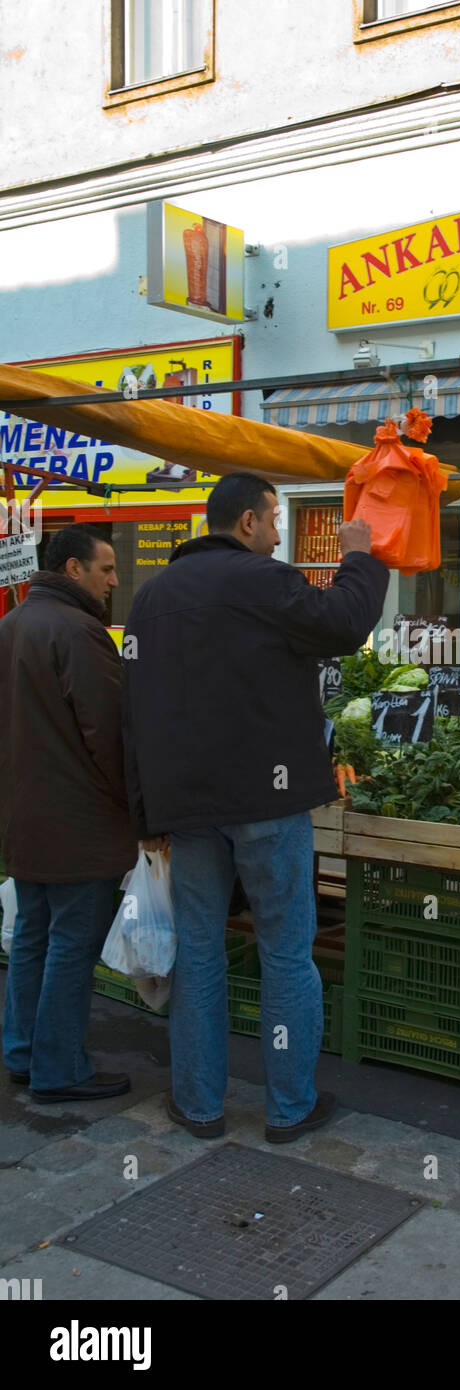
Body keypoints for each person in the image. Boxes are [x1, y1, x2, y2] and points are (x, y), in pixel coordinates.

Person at [122, 473, 388, 1142]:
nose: (277, 533)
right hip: (267, 802)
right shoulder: (263, 581)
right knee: (286, 951)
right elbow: (345, 624)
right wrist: (360, 554)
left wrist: (145, 813)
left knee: (202, 950)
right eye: (273, 519)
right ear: (244, 522)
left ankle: (200, 1105)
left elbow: (133, 715)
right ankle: (288, 1106)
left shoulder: (150, 599)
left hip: (185, 806)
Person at [0, 525, 137, 1101]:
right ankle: (59, 1069)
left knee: (31, 936)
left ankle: (24, 1052)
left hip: (23, 818)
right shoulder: (79, 631)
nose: (113, 581)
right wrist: (138, 808)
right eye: (106, 569)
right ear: (74, 569)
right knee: (70, 944)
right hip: (77, 823)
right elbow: (108, 735)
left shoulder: (11, 625)